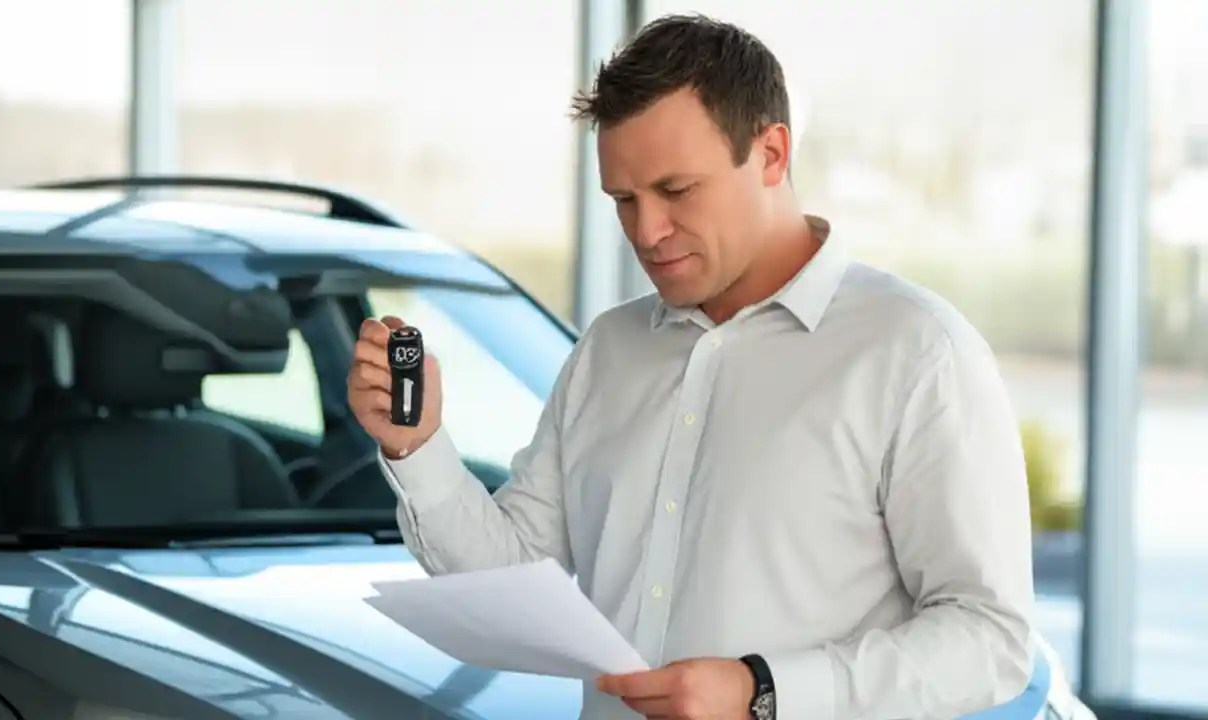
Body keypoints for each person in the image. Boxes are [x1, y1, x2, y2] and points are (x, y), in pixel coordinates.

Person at [348, 14, 1035, 720]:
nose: (646, 232)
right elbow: (511, 585)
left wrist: (762, 691)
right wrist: (417, 445)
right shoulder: (608, 353)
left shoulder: (917, 354)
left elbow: (991, 639)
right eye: (624, 200)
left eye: (676, 191)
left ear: (771, 153)